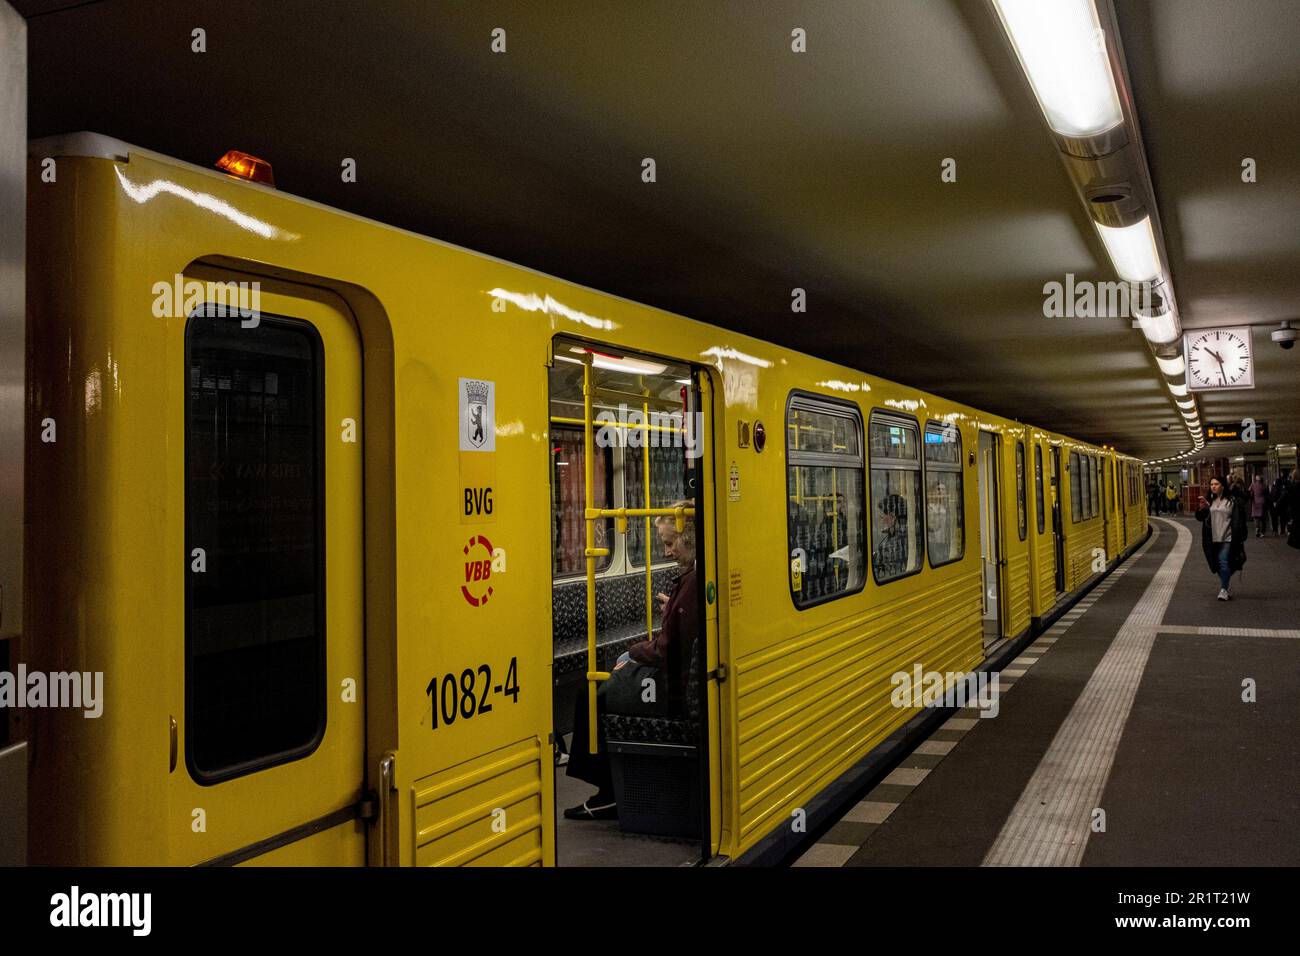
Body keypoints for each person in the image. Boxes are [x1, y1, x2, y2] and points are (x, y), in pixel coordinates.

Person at [564, 502, 698, 821]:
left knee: (591, 695)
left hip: (671, 689)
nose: (666, 553)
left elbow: (668, 650)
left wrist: (633, 651)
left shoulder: (692, 583)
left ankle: (607, 789)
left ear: (690, 539)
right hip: (677, 678)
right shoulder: (697, 576)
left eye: (669, 544)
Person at [1194, 476, 1247, 601]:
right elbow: (1200, 518)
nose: (1213, 486)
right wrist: (1203, 509)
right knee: (1217, 564)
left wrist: (1241, 534)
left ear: (1222, 485)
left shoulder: (1232, 500)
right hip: (1212, 538)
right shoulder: (1209, 501)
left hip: (1228, 537)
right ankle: (1227, 585)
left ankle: (1223, 589)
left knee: (1223, 561)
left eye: (1216, 484)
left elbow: (1239, 519)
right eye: (1211, 484)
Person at [873, 492, 909, 579]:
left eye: (882, 517)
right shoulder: (896, 534)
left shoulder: (897, 543)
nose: (880, 521)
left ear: (893, 517)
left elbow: (884, 576)